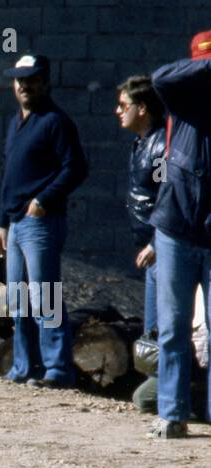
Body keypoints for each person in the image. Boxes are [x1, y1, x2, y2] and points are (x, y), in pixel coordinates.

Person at [0, 52, 89, 388]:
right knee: (18, 299)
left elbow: (75, 168)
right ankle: (23, 366)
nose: (25, 86)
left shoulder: (55, 121)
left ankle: (58, 370)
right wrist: (2, 221)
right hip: (16, 223)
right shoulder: (15, 122)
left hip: (41, 222)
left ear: (46, 82)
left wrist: (43, 200)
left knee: (44, 295)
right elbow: (9, 176)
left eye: (32, 79)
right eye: (20, 80)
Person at [147, 31, 211, 438]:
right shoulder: (182, 101)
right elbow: (160, 78)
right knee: (172, 327)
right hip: (175, 228)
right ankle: (172, 413)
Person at [116, 75, 166, 339]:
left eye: (124, 105)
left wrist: (156, 243)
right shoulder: (141, 143)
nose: (118, 111)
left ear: (142, 108)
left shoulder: (159, 146)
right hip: (151, 247)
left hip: (161, 248)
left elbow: (166, 197)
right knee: (152, 328)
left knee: (158, 329)